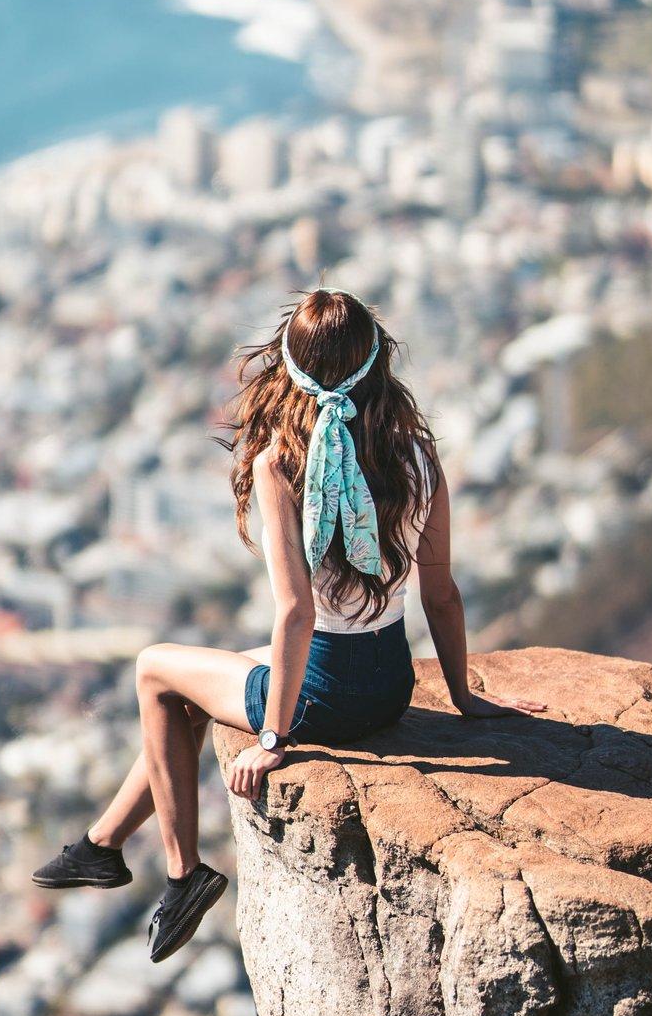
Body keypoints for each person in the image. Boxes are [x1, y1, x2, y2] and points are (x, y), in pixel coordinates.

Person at [32, 288, 546, 961]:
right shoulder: (416, 456)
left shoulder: (283, 464)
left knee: (155, 670)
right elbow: (441, 595)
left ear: (290, 367)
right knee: (207, 678)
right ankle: (101, 845)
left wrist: (275, 737)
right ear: (377, 363)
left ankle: (184, 873)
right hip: (387, 683)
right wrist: (461, 697)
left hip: (322, 703)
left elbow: (297, 613)